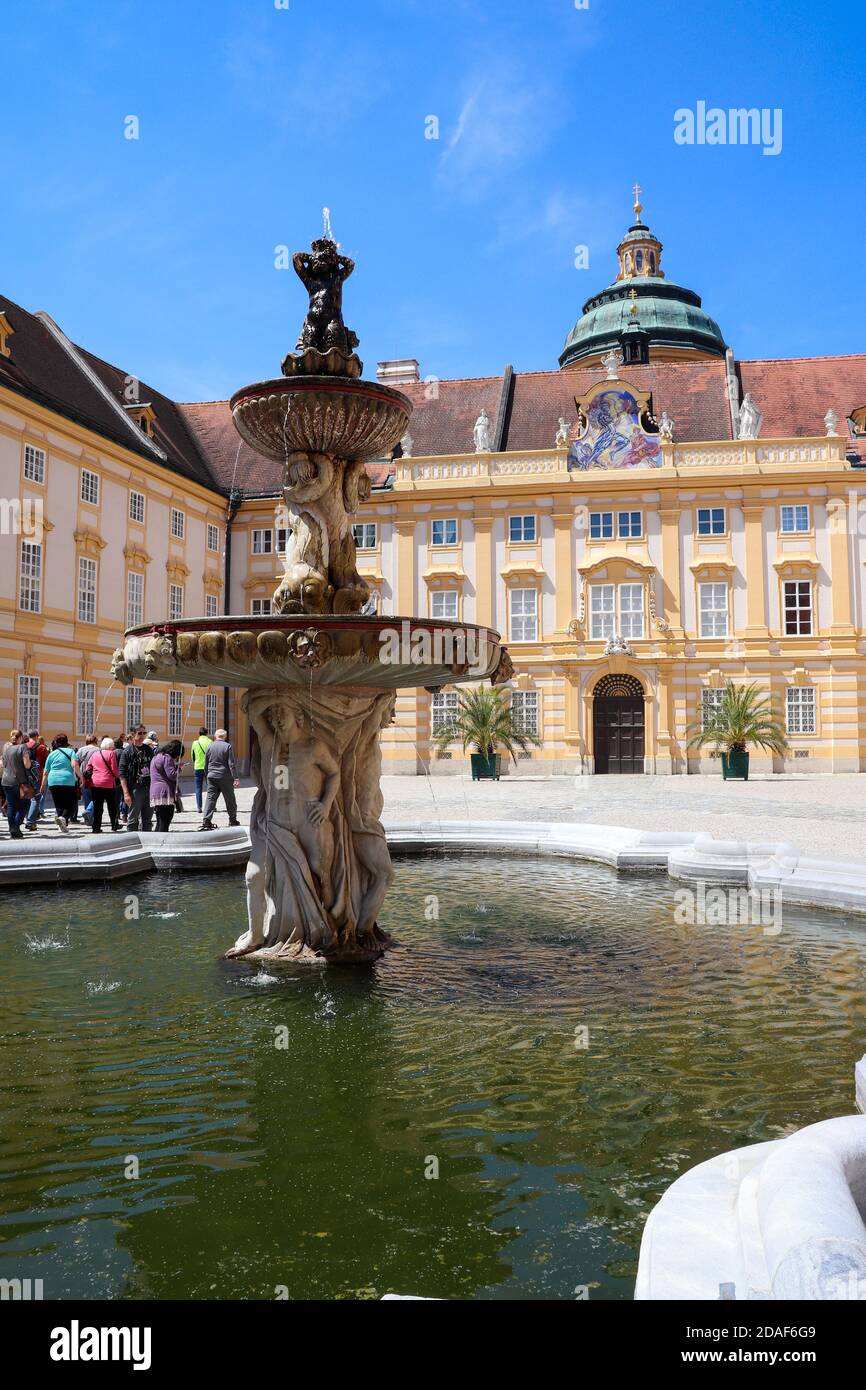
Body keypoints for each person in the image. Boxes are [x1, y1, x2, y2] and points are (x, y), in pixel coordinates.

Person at [199, 729, 240, 830]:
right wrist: (235, 777)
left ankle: (206, 820)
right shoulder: (227, 746)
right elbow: (231, 764)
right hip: (225, 776)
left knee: (210, 798)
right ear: (225, 737)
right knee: (230, 799)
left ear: (215, 736)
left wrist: (207, 774)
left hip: (212, 776)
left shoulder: (210, 746)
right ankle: (233, 819)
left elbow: (206, 763)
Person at [40, 734, 81, 832]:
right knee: (72, 802)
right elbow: (74, 765)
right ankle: (64, 818)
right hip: (68, 780)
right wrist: (81, 777)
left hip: (53, 781)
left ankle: (62, 825)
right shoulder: (71, 752)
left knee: (59, 804)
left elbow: (46, 772)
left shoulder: (51, 754)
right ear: (66, 742)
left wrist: (42, 785)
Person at [118, 726, 154, 831]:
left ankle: (147, 840)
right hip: (135, 788)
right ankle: (132, 841)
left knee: (148, 819)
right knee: (133, 818)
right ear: (133, 735)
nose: (143, 735)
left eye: (144, 733)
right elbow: (122, 774)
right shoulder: (127, 752)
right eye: (140, 733)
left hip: (148, 787)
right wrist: (126, 793)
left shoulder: (148, 750)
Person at [1, 730, 33, 839]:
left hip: (6, 780)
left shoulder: (6, 749)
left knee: (11, 806)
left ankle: (13, 829)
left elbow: (4, 764)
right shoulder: (22, 747)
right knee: (25, 804)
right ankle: (15, 826)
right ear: (20, 738)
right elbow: (27, 765)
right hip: (19, 781)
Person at [150, 739, 185, 832]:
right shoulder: (167, 758)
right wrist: (180, 768)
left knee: (160, 820)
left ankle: (156, 840)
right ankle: (162, 842)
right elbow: (172, 775)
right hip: (165, 792)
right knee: (166, 820)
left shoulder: (156, 756)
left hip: (156, 791)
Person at [88, 737, 121, 833]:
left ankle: (96, 827)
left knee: (97, 807)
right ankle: (114, 825)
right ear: (110, 746)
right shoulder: (111, 754)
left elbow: (88, 766)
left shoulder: (95, 754)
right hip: (108, 783)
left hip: (95, 783)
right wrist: (118, 777)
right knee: (112, 806)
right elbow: (114, 769)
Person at [24, 731, 49, 831]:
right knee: (36, 798)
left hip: (24, 775)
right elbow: (45, 763)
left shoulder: (22, 746)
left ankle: (26, 818)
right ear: (37, 737)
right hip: (36, 775)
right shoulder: (41, 747)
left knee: (26, 797)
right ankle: (30, 822)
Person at [75, 734, 98, 826]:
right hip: (95, 775)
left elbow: (76, 762)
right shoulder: (98, 750)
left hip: (83, 775)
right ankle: (89, 812)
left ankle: (88, 818)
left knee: (86, 797)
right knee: (96, 798)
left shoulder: (81, 750)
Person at [190, 726, 212, 813]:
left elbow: (193, 756)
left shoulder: (195, 743)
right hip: (208, 767)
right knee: (210, 787)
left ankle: (199, 807)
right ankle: (209, 805)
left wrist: (195, 762)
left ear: (199, 734)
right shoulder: (210, 742)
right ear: (207, 733)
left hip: (198, 767)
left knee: (198, 787)